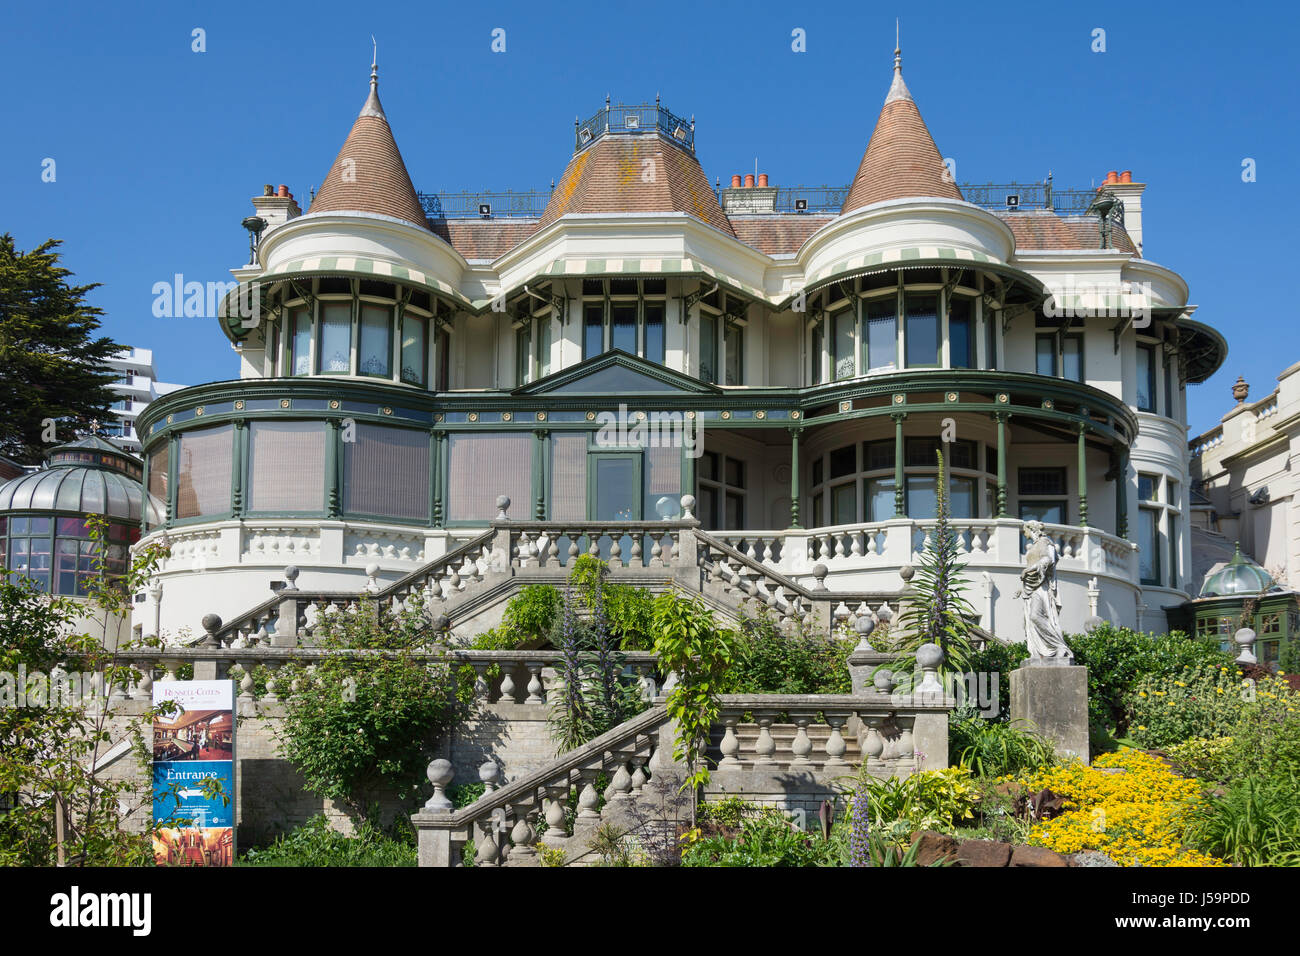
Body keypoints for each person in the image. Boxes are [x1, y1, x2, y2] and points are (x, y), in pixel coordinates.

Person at [1018, 520, 1073, 660]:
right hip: (1031, 587)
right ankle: (1040, 652)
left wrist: (1028, 569)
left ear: (1031, 529)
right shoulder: (1036, 544)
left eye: (1025, 529)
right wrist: (1022, 587)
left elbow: (1047, 560)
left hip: (1041, 587)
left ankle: (1059, 646)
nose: (1024, 533)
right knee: (1030, 621)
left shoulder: (1044, 542)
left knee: (1035, 617)